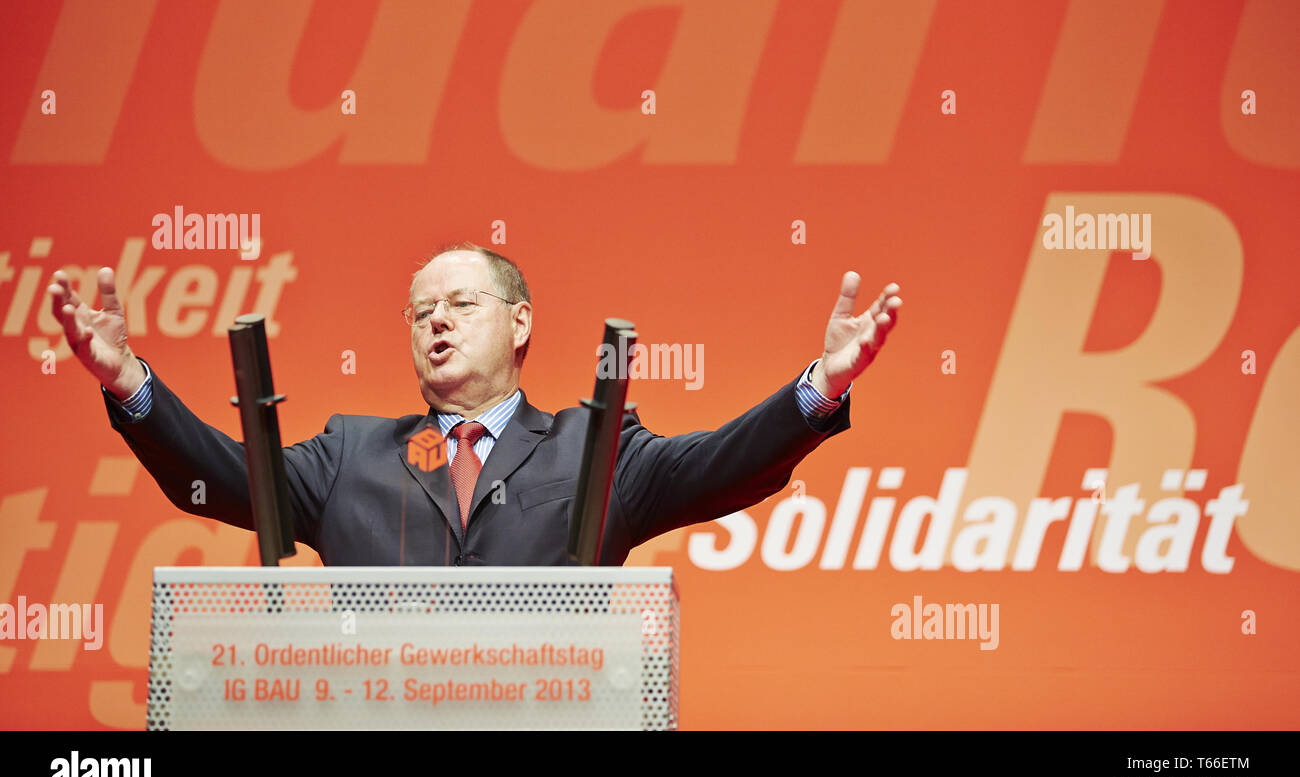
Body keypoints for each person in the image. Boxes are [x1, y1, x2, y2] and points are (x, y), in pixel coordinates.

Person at [47, 243, 902, 566]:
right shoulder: (348, 455)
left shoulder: (596, 451)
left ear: (520, 320)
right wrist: (129, 381)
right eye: (421, 313)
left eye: (459, 305)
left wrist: (820, 386)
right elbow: (227, 479)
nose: (436, 325)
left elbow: (725, 463)